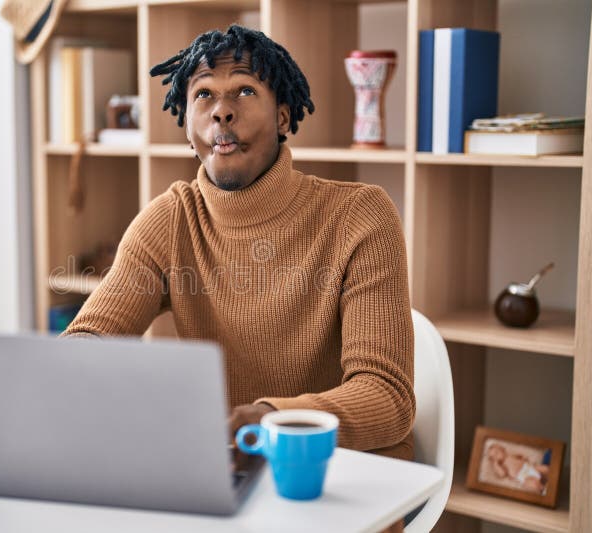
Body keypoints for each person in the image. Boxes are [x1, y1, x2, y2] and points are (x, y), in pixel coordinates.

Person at [63, 23, 414, 479]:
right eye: (204, 95)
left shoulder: (360, 216)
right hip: (226, 469)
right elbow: (86, 343)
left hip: (339, 474)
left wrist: (270, 418)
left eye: (245, 91)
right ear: (187, 127)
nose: (221, 112)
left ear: (284, 118)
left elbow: (387, 398)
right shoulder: (170, 220)